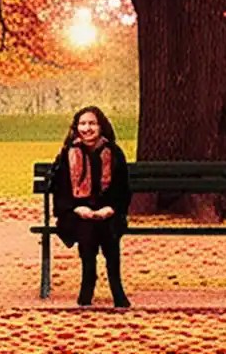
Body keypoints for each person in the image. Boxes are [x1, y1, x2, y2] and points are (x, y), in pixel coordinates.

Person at [51, 105, 132, 308]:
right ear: (76, 127)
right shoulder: (68, 154)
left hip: (109, 211)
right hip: (76, 212)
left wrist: (111, 208)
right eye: (83, 124)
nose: (87, 128)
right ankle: (88, 281)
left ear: (101, 126)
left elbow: (123, 188)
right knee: (87, 229)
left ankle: (116, 287)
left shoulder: (113, 152)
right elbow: (60, 190)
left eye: (92, 123)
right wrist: (76, 208)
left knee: (108, 230)